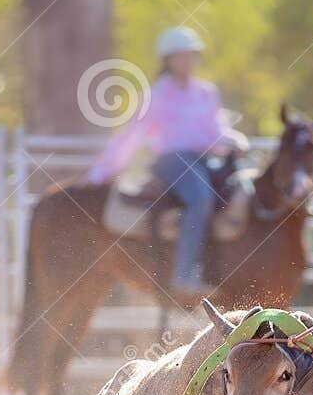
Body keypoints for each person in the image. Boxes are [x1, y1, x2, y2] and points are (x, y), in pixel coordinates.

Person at [85, 27, 248, 303]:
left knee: (240, 191)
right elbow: (133, 134)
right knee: (199, 198)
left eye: (191, 55)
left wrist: (235, 141)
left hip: (205, 159)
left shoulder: (206, 92)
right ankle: (183, 276)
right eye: (181, 56)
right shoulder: (158, 94)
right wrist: (103, 170)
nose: (187, 61)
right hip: (173, 160)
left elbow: (215, 130)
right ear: (168, 60)